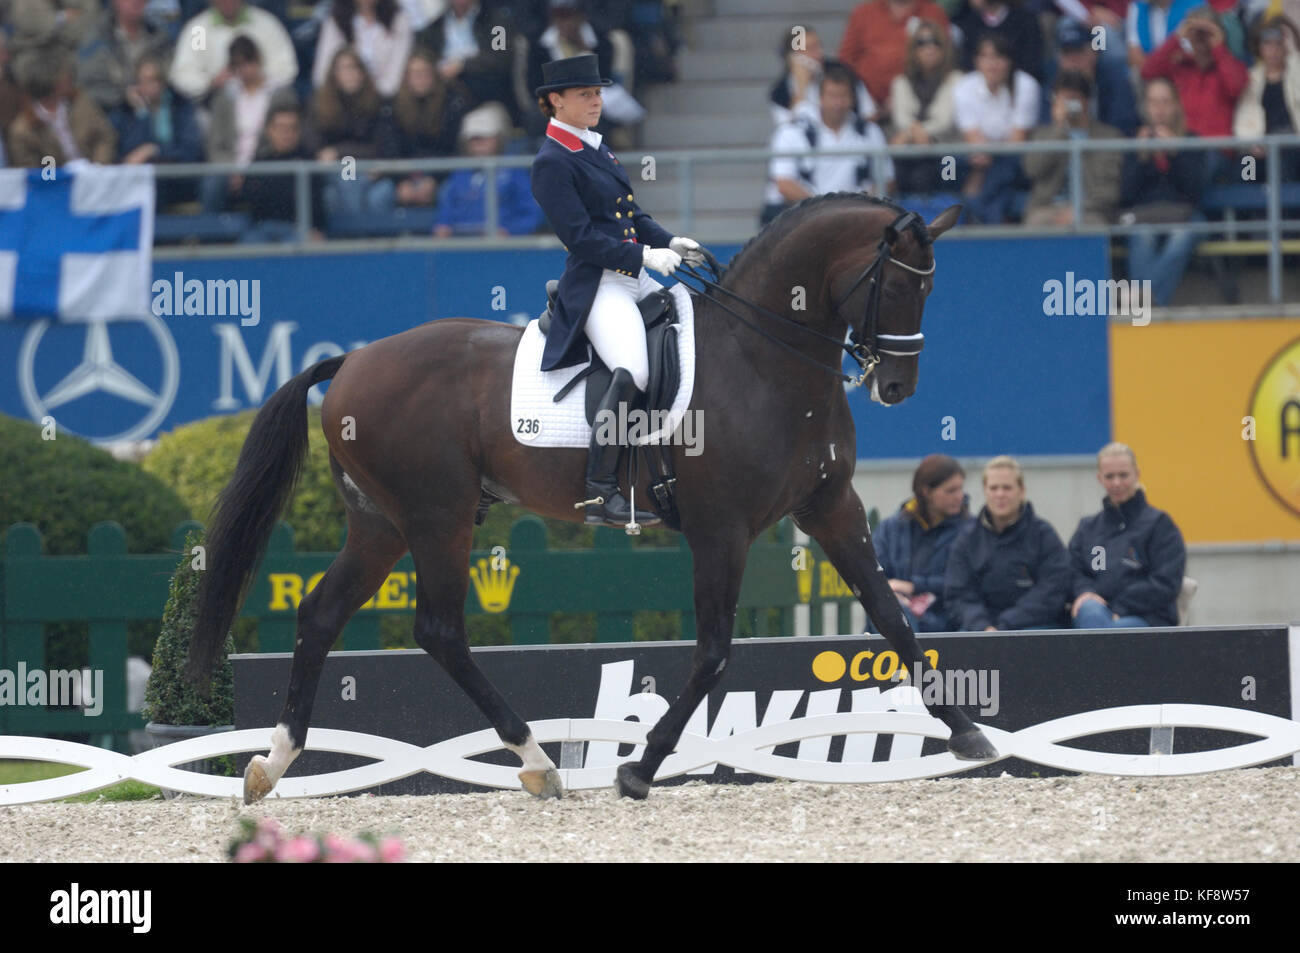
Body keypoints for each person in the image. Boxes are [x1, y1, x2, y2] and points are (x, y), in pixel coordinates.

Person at [528, 53, 704, 526]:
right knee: (633, 369)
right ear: (555, 100)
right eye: (585, 94)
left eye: (598, 93)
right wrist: (645, 256)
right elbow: (582, 238)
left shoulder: (595, 147)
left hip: (632, 274)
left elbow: (631, 216)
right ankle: (599, 491)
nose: (596, 101)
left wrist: (669, 241)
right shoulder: (552, 161)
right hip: (599, 284)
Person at [944, 455, 1072, 631]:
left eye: (1007, 488)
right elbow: (958, 594)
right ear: (985, 490)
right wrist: (983, 627)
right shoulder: (967, 538)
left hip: (1033, 629)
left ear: (1022, 490)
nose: (1000, 494)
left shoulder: (1044, 535)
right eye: (994, 488)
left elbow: (1053, 590)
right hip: (979, 631)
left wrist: (1006, 625)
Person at [1068, 443, 1187, 627]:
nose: (1117, 483)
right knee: (1090, 610)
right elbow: (1072, 571)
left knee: (1117, 630)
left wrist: (1120, 608)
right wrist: (1085, 592)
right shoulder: (1088, 528)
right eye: (1109, 476)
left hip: (1148, 618)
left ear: (1137, 474)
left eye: (1123, 475)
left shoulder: (1160, 525)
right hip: (1096, 614)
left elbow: (1166, 582)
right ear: (1099, 478)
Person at [762, 62, 895, 224]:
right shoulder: (792, 131)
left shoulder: (870, 132)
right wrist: (824, 209)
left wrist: (859, 206)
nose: (837, 103)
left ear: (853, 99)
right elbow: (784, 184)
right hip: (804, 219)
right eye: (832, 96)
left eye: (843, 96)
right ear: (819, 98)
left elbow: (886, 180)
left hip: (857, 220)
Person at [1121, 77, 1207, 305]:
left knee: (1182, 236)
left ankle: (1142, 302)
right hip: (1144, 215)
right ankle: (1153, 303)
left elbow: (1196, 191)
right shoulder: (1132, 141)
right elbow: (1125, 194)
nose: (1159, 109)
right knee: (1142, 236)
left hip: (1184, 215)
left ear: (1176, 105)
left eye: (1165, 102)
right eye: (1153, 102)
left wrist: (1176, 153)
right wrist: (1140, 158)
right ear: (1145, 107)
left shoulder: (1191, 140)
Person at [872, 454, 974, 633]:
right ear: (926, 492)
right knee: (889, 612)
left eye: (960, 489)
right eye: (951, 491)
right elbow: (872, 575)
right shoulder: (891, 529)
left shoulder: (972, 531)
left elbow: (968, 582)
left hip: (951, 624)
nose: (960, 496)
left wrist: (914, 586)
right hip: (897, 617)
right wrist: (891, 596)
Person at [952, 33, 1039, 223]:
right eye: (986, 57)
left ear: (1009, 61)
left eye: (998, 57)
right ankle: (985, 215)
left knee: (1002, 168)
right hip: (976, 156)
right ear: (977, 61)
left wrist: (989, 152)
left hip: (1014, 158)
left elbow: (1017, 141)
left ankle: (975, 212)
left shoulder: (1026, 85)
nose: (992, 64)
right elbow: (972, 136)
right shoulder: (963, 87)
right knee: (950, 163)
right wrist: (983, 153)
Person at [1023, 70, 1124, 226]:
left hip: (1091, 210)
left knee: (1092, 225)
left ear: (1087, 102)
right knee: (1036, 224)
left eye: (1073, 100)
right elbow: (1033, 169)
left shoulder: (1109, 137)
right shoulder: (1042, 135)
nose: (1068, 106)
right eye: (1063, 100)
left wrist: (1078, 210)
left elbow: (1109, 191)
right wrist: (1059, 129)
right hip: (1047, 208)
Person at [433, 101, 544, 235]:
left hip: (503, 244)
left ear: (498, 139)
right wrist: (443, 225)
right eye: (473, 139)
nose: (479, 144)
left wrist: (511, 231)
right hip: (462, 241)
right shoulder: (460, 172)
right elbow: (446, 210)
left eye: (484, 138)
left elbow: (532, 213)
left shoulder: (514, 170)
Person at [312, 46, 396, 219]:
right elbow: (314, 144)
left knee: (381, 193)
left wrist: (339, 151)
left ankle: (360, 231)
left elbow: (383, 146)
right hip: (336, 169)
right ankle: (355, 232)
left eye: (353, 68)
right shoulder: (319, 104)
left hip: (369, 166)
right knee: (346, 178)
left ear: (362, 73)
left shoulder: (379, 103)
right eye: (343, 69)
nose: (349, 74)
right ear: (334, 74)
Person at [111, 54, 204, 205]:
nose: (149, 86)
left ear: (163, 82)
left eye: (154, 80)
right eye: (143, 81)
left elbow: (189, 149)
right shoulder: (127, 111)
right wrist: (142, 114)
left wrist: (155, 149)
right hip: (140, 180)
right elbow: (129, 152)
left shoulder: (180, 106)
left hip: (176, 178)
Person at [386, 47, 470, 208]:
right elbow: (390, 149)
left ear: (434, 75)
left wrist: (434, 179)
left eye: (425, 72)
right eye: (415, 73)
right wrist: (401, 181)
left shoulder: (451, 104)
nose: (420, 78)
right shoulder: (392, 107)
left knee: (450, 192)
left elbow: (454, 150)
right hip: (404, 175)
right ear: (406, 76)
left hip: (442, 175)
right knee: (381, 195)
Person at [169, 0, 298, 104]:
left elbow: (286, 67)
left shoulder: (266, 24)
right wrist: (211, 83)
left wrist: (258, 80)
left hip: (266, 104)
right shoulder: (199, 31)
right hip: (213, 106)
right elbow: (184, 72)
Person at [7, 47, 116, 166]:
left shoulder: (80, 102)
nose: (69, 78)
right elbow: (32, 169)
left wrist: (98, 166)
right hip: (56, 176)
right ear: (52, 84)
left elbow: (104, 136)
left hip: (95, 171)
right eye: (62, 76)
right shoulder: (23, 130)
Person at [889, 18, 962, 195]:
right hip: (911, 151)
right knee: (903, 172)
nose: (929, 48)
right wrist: (916, 135)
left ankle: (949, 207)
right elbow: (901, 120)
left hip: (948, 153)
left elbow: (944, 122)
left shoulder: (957, 80)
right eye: (921, 43)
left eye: (935, 42)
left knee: (948, 177)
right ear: (913, 49)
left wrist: (916, 133)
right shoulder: (900, 82)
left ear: (944, 48)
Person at [839, 0, 951, 108]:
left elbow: (947, 60)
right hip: (867, 108)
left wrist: (902, 99)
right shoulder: (863, 13)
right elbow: (845, 61)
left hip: (920, 105)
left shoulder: (934, 13)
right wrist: (864, 102)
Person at [1041, 15, 1139, 136]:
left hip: (1102, 145)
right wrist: (1058, 123)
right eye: (1067, 53)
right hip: (1060, 145)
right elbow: (1041, 131)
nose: (1073, 60)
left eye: (1078, 52)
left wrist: (1087, 123)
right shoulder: (1050, 80)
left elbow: (1124, 127)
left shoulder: (1114, 79)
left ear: (1094, 54)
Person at [76, 0, 175, 113]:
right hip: (112, 115)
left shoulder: (160, 36)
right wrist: (123, 95)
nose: (136, 1)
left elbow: (173, 73)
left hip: (159, 111)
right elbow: (89, 86)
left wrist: (157, 84)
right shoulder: (97, 38)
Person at [769, 24, 878, 127]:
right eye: (810, 48)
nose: (818, 53)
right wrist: (801, 88)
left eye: (818, 46)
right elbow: (788, 131)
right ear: (793, 57)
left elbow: (869, 114)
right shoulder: (780, 92)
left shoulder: (843, 72)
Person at [1234, 15, 1300, 183]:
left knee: (1282, 159)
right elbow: (1243, 119)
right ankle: (1248, 199)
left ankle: (1285, 199)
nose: (1273, 50)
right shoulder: (1250, 79)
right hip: (1263, 144)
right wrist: (1252, 144)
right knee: (1246, 164)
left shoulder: (1296, 71)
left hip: (1293, 143)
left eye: (1278, 44)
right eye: (1267, 44)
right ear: (1259, 48)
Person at [312, 0, 413, 98]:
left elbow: (398, 65)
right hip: (342, 95)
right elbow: (322, 70)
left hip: (384, 95)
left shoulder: (399, 20)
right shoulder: (335, 21)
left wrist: (376, 94)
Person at [951, 0, 1045, 82]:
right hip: (980, 86)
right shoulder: (968, 23)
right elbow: (967, 63)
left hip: (1014, 85)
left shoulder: (1025, 20)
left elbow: (1030, 63)